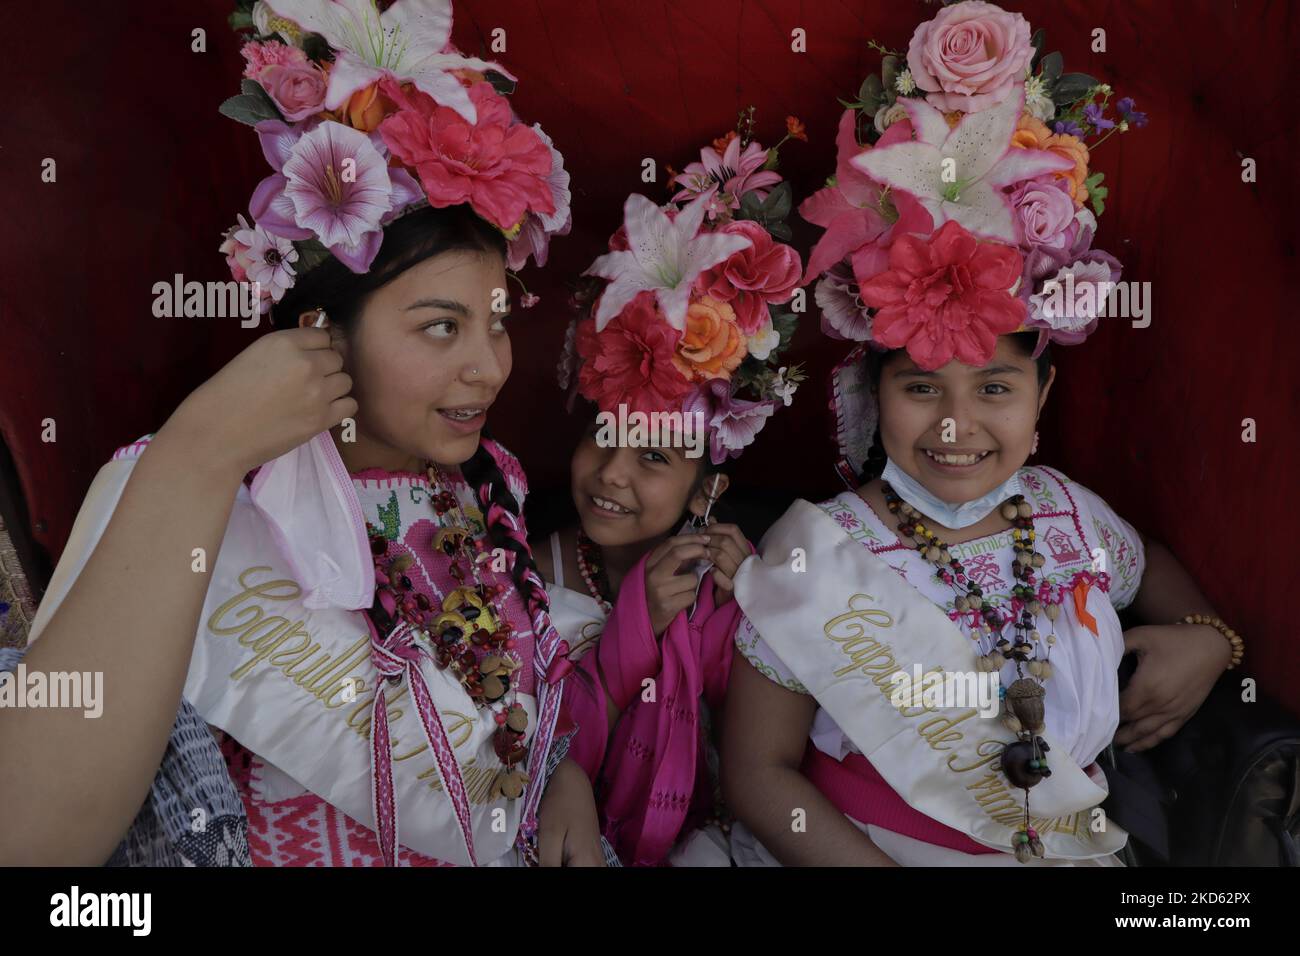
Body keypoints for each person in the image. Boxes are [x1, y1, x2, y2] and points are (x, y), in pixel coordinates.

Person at [0, 0, 609, 867]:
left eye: (498, 321)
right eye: (442, 326)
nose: (489, 367)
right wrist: (200, 454)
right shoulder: (189, 483)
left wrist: (563, 776)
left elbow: (516, 698)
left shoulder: (487, 478)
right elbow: (31, 838)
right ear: (322, 329)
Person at [721, 0, 1239, 866]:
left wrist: (1210, 641)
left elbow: (1148, 563)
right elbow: (758, 772)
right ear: (873, 393)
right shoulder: (823, 550)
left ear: (1044, 395)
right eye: (921, 387)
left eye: (995, 387)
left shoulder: (1073, 519)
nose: (956, 424)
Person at [535, 122, 807, 865]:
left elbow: (761, 742)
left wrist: (746, 599)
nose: (611, 473)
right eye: (603, 435)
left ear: (706, 487)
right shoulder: (532, 576)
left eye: (654, 455)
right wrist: (638, 623)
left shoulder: (727, 587)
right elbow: (517, 752)